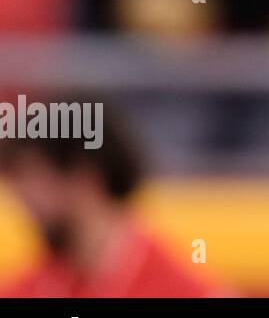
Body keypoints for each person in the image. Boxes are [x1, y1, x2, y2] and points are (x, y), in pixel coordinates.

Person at [0, 99, 224, 297]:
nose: (23, 197)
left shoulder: (179, 288)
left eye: (33, 177)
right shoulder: (32, 287)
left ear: (83, 177)